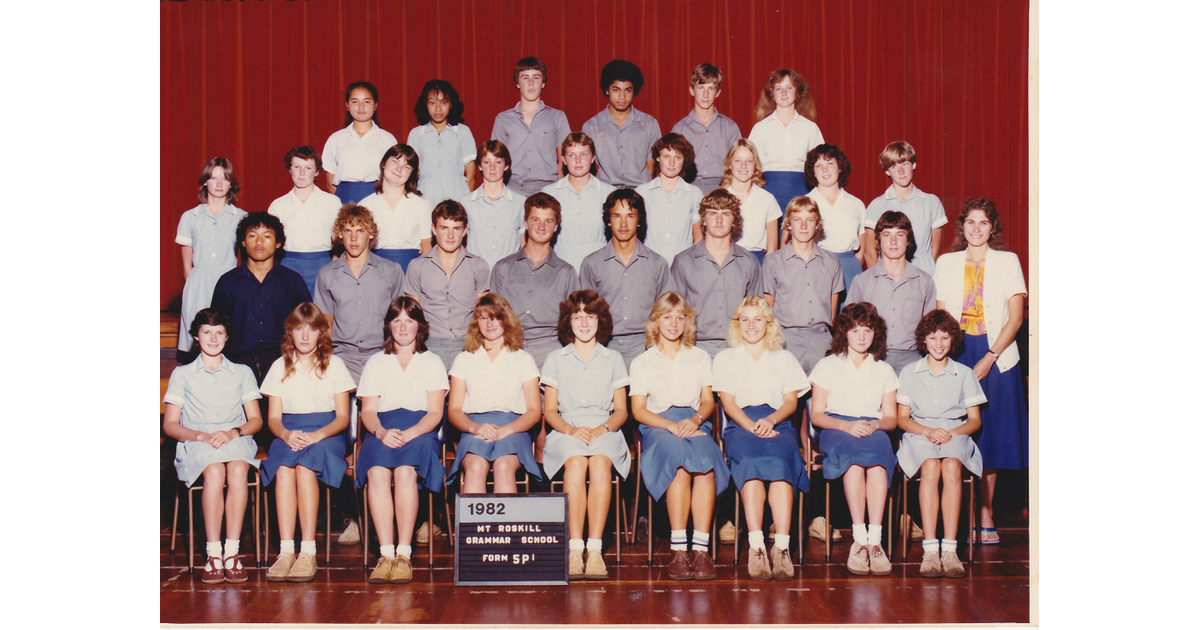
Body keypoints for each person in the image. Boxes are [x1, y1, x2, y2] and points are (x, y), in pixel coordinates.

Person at [932, 197, 1027, 546]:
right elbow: (942, 316)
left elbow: (1015, 317)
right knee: (959, 430)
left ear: (993, 227)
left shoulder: (1008, 261)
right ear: (961, 227)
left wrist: (988, 356)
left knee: (993, 436)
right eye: (970, 222)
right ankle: (964, 514)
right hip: (958, 350)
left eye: (983, 223)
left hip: (997, 354)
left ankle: (986, 513)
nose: (976, 229)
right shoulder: (947, 262)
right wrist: (951, 357)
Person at [629, 292, 730, 581]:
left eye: (679, 317)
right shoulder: (642, 362)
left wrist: (696, 418)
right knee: (680, 466)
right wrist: (669, 426)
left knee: (706, 464)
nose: (673, 323)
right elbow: (638, 410)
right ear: (655, 321)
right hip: (658, 425)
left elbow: (707, 401)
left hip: (692, 420)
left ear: (687, 322)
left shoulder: (699, 357)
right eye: (666, 316)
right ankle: (678, 549)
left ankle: (700, 549)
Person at [163, 308, 263, 585]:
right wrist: (200, 436)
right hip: (197, 442)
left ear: (227, 337)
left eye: (219, 332)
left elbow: (255, 420)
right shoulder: (182, 374)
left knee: (239, 470)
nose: (213, 338)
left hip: (235, 438)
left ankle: (232, 553)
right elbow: (170, 425)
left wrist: (233, 432)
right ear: (196, 336)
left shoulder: (241, 372)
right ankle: (213, 554)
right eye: (207, 332)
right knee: (216, 471)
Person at [712, 297, 809, 581]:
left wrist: (770, 420)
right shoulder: (725, 358)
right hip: (742, 426)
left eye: (758, 319)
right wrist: (752, 426)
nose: (751, 325)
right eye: (745, 319)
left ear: (769, 324)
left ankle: (781, 548)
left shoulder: (784, 358)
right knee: (752, 463)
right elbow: (728, 404)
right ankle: (756, 548)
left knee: (780, 464)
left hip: (778, 423)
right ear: (736, 324)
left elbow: (791, 402)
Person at [356, 297, 449, 585]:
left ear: (420, 325)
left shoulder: (432, 362)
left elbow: (435, 413)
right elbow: (368, 412)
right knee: (377, 472)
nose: (403, 327)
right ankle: (385, 554)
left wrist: (410, 433)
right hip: (383, 429)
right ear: (389, 326)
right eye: (397, 320)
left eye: (409, 320)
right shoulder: (376, 362)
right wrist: (381, 432)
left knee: (406, 472)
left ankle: (404, 554)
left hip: (419, 430)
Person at [260, 303, 355, 582]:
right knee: (284, 469)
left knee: (304, 468)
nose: (305, 336)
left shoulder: (334, 364)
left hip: (325, 433)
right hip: (288, 432)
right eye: (299, 329)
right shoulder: (279, 366)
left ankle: (308, 552)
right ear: (290, 331)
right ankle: (286, 551)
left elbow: (342, 417)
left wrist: (317, 435)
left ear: (321, 333)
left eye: (311, 329)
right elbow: (274, 419)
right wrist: (286, 434)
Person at [541, 290, 630, 580]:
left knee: (601, 464)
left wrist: (602, 429)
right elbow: (551, 412)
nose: (583, 323)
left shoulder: (613, 358)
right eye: (576, 316)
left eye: (590, 316)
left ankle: (595, 550)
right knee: (577, 463)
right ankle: (573, 548)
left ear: (599, 320)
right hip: (566, 429)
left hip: (604, 428)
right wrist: (571, 430)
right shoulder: (556, 358)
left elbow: (621, 412)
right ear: (568, 321)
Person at [807, 302, 898, 576]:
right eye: (855, 330)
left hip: (873, 428)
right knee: (855, 463)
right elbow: (817, 415)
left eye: (867, 330)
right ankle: (859, 540)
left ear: (875, 334)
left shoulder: (883, 369)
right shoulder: (827, 365)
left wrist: (875, 425)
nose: (861, 337)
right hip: (837, 428)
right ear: (844, 332)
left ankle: (876, 541)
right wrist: (846, 427)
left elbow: (892, 418)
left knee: (878, 463)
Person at [896, 308, 985, 579]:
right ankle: (930, 549)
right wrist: (928, 430)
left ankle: (950, 549)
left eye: (944, 338)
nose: (938, 344)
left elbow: (974, 421)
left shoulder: (965, 373)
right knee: (931, 467)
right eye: (933, 338)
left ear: (953, 340)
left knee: (952, 467)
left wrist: (952, 433)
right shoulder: (911, 372)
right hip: (920, 432)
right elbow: (902, 418)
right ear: (924, 340)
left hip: (954, 432)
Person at [445, 294, 544, 493]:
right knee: (475, 467)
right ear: (476, 324)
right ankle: (475, 525)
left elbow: (534, 411)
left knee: (504, 466)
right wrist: (475, 428)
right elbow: (454, 411)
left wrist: (506, 430)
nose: (490, 323)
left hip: (514, 427)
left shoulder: (523, 359)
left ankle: (505, 525)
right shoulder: (464, 359)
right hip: (475, 427)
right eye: (483, 318)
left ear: (506, 320)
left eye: (496, 317)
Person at [210, 212, 312, 400]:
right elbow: (215, 328)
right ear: (242, 241)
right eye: (252, 236)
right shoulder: (228, 282)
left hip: (283, 363)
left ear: (278, 243)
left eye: (267, 236)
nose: (259, 242)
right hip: (237, 364)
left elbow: (308, 325)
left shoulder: (292, 281)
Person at [579, 189, 671, 370]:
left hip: (646, 345)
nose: (623, 223)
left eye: (630, 216)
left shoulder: (657, 263)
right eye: (616, 216)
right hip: (604, 344)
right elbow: (585, 313)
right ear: (608, 220)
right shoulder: (592, 263)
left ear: (639, 221)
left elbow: (666, 312)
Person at [313, 205, 405, 383]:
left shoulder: (392, 271)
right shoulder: (327, 274)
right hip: (343, 358)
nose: (353, 238)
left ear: (371, 234)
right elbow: (326, 325)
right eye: (347, 231)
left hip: (382, 355)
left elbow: (402, 319)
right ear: (340, 234)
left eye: (360, 231)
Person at [490, 192, 582, 368]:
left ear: (556, 226)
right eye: (535, 220)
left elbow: (574, 321)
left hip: (550, 351)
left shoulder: (566, 272)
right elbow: (492, 317)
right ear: (525, 223)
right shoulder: (502, 268)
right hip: (509, 348)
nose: (541, 226)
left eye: (548, 221)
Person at [669, 189, 762, 358]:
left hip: (738, 348)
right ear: (703, 220)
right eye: (712, 214)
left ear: (734, 220)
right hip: (694, 348)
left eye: (726, 214)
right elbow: (673, 312)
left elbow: (757, 312)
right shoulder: (683, 261)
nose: (719, 220)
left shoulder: (749, 262)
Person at [403, 199, 491, 371]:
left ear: (465, 231)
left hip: (468, 344)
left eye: (456, 228)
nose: (450, 236)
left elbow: (483, 312)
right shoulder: (417, 266)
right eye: (444, 228)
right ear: (434, 229)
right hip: (430, 344)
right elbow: (412, 315)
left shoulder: (479, 265)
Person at [847, 211, 937, 375]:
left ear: (908, 240)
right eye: (887, 235)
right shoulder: (862, 281)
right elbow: (848, 327)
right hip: (873, 358)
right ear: (877, 241)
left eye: (900, 235)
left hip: (913, 360)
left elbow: (931, 330)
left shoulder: (925, 281)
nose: (893, 241)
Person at [763, 196, 843, 374]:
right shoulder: (773, 261)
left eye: (810, 220)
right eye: (797, 220)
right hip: (786, 339)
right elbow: (768, 307)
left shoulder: (831, 261)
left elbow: (832, 311)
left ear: (817, 224)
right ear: (788, 224)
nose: (804, 226)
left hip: (821, 339)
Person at [176, 157, 246, 354]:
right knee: (200, 334)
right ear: (205, 181)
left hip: (229, 282)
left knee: (227, 334)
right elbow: (186, 264)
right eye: (214, 178)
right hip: (199, 283)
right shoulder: (190, 217)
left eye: (224, 179)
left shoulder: (240, 217)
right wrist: (192, 286)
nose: (218, 184)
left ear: (230, 183)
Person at [267, 145, 342, 296]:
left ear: (317, 171)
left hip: (321, 264)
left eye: (308, 168)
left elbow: (338, 240)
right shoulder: (278, 205)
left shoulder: (332, 202)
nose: (302, 173)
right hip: (287, 264)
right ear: (289, 170)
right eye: (296, 167)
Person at [863, 141, 947, 275]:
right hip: (889, 275)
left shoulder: (932, 202)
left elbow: (935, 251)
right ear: (887, 171)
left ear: (914, 164)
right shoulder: (877, 205)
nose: (901, 171)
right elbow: (870, 253)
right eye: (894, 166)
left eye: (905, 164)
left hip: (924, 273)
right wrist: (877, 281)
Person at [490, 56, 571, 196]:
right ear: (517, 83)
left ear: (543, 83)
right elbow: (496, 158)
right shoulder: (503, 119)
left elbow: (564, 158)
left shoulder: (557, 117)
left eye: (536, 77)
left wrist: (560, 189)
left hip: (548, 188)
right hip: (512, 189)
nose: (531, 83)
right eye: (525, 78)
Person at [746, 69, 823, 212]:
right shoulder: (760, 128)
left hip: (802, 191)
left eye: (789, 88)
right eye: (778, 88)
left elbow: (820, 165)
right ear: (772, 93)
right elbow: (750, 163)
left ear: (797, 92)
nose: (783, 93)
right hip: (768, 191)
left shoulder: (810, 128)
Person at [541, 132, 616, 270]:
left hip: (599, 267)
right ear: (563, 159)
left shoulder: (609, 193)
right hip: (559, 267)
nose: (578, 160)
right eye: (571, 155)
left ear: (593, 158)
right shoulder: (548, 193)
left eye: (584, 154)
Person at [581, 59, 661, 189]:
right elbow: (592, 168)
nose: (622, 97)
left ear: (633, 91)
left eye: (627, 90)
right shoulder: (592, 126)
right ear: (607, 90)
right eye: (616, 90)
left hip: (640, 192)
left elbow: (651, 166)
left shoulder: (649, 124)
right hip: (606, 193)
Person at [802, 143, 869, 295]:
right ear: (813, 172)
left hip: (849, 268)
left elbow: (861, 246)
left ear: (840, 168)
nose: (825, 170)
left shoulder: (856, 204)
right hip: (816, 267)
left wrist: (853, 266)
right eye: (819, 165)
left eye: (830, 163)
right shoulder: (805, 203)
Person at [357, 143, 433, 272]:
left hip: (409, 268)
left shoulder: (422, 205)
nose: (399, 169)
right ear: (383, 164)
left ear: (412, 174)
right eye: (395, 161)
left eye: (406, 166)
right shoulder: (365, 205)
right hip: (375, 267)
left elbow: (427, 249)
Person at [671, 63, 742, 194]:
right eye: (701, 87)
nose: (705, 94)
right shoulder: (680, 128)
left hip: (723, 188)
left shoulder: (730, 127)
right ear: (692, 90)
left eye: (711, 89)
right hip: (688, 187)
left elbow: (738, 164)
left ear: (718, 92)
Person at [323, 81, 398, 204]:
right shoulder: (335, 139)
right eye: (355, 101)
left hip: (377, 198)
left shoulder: (387, 139)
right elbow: (330, 182)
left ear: (375, 105)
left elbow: (393, 178)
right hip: (344, 199)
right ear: (347, 105)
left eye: (367, 101)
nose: (361, 107)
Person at [407, 79, 477, 205]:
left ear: (451, 104)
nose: (438, 109)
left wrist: (464, 205)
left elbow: (471, 176)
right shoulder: (416, 134)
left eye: (443, 102)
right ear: (425, 104)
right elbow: (412, 174)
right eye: (432, 103)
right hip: (426, 199)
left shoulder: (462, 132)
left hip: (457, 198)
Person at [637, 133, 703, 263]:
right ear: (657, 158)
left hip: (683, 265)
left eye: (677, 157)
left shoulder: (694, 193)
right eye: (666, 156)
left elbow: (698, 238)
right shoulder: (642, 192)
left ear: (684, 160)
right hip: (649, 264)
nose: (672, 163)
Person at [461, 140, 527, 271]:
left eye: (498, 162)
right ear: (479, 166)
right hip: (475, 274)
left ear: (506, 165)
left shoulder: (520, 202)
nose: (492, 167)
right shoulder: (465, 203)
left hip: (509, 276)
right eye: (486, 162)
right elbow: (462, 245)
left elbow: (523, 244)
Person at [720, 139, 780, 263]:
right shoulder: (719, 198)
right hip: (726, 258)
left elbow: (772, 248)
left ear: (755, 165)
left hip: (756, 260)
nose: (743, 166)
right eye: (737, 160)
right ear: (729, 164)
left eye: (749, 161)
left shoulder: (767, 199)